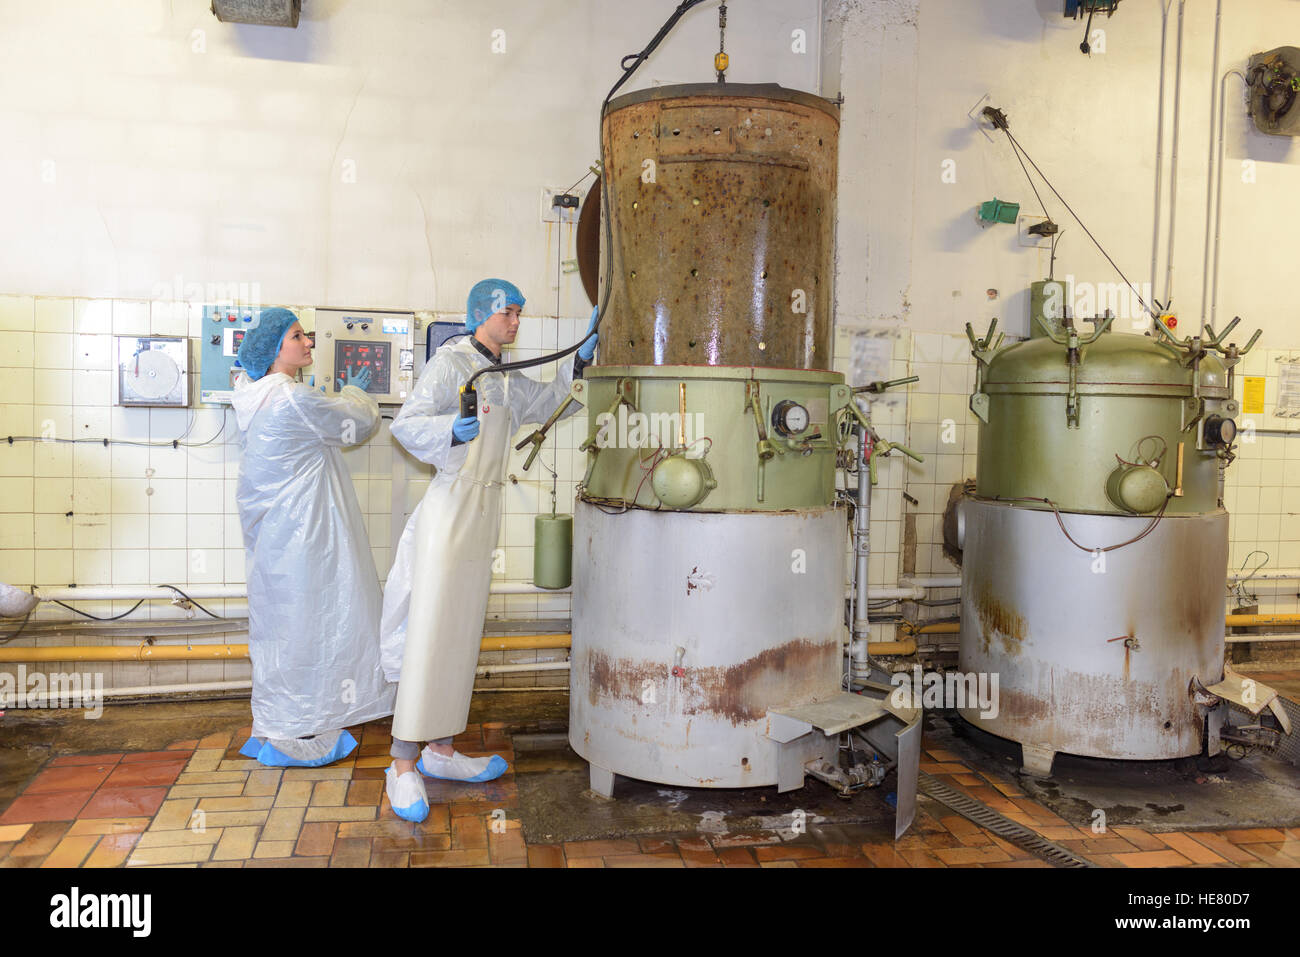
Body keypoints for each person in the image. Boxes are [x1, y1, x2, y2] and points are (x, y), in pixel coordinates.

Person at [380, 280, 598, 821]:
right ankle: (402, 765)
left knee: (459, 635)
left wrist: (580, 360)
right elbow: (407, 425)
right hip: (448, 513)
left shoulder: (504, 376)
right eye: (509, 312)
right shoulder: (452, 364)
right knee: (430, 635)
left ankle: (442, 750)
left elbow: (549, 402)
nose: (516, 322)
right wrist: (450, 431)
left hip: (482, 514)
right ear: (480, 313)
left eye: (520, 313)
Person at [231, 307, 396, 767]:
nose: (308, 343)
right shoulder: (288, 398)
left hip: (277, 544)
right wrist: (358, 391)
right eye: (298, 336)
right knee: (312, 627)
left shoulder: (257, 397)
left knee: (282, 630)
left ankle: (277, 721)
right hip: (303, 541)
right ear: (273, 350)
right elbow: (357, 424)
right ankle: (297, 731)